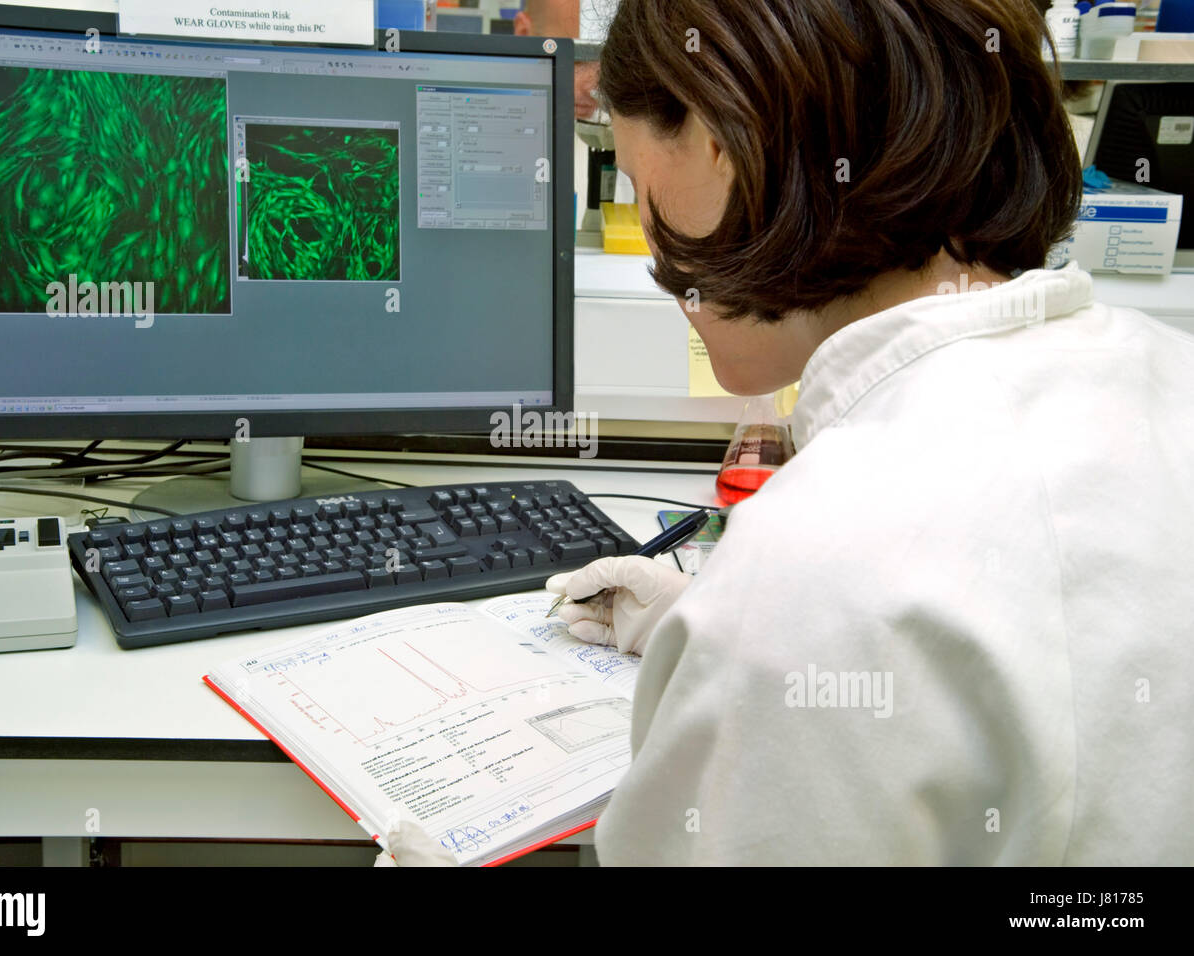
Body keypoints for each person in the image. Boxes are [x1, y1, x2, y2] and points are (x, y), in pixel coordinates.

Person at [380, 0, 1194, 866]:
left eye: (642, 185)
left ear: (726, 137)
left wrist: (757, 642)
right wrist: (716, 639)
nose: (654, 242)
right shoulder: (1165, 374)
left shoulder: (816, 567)